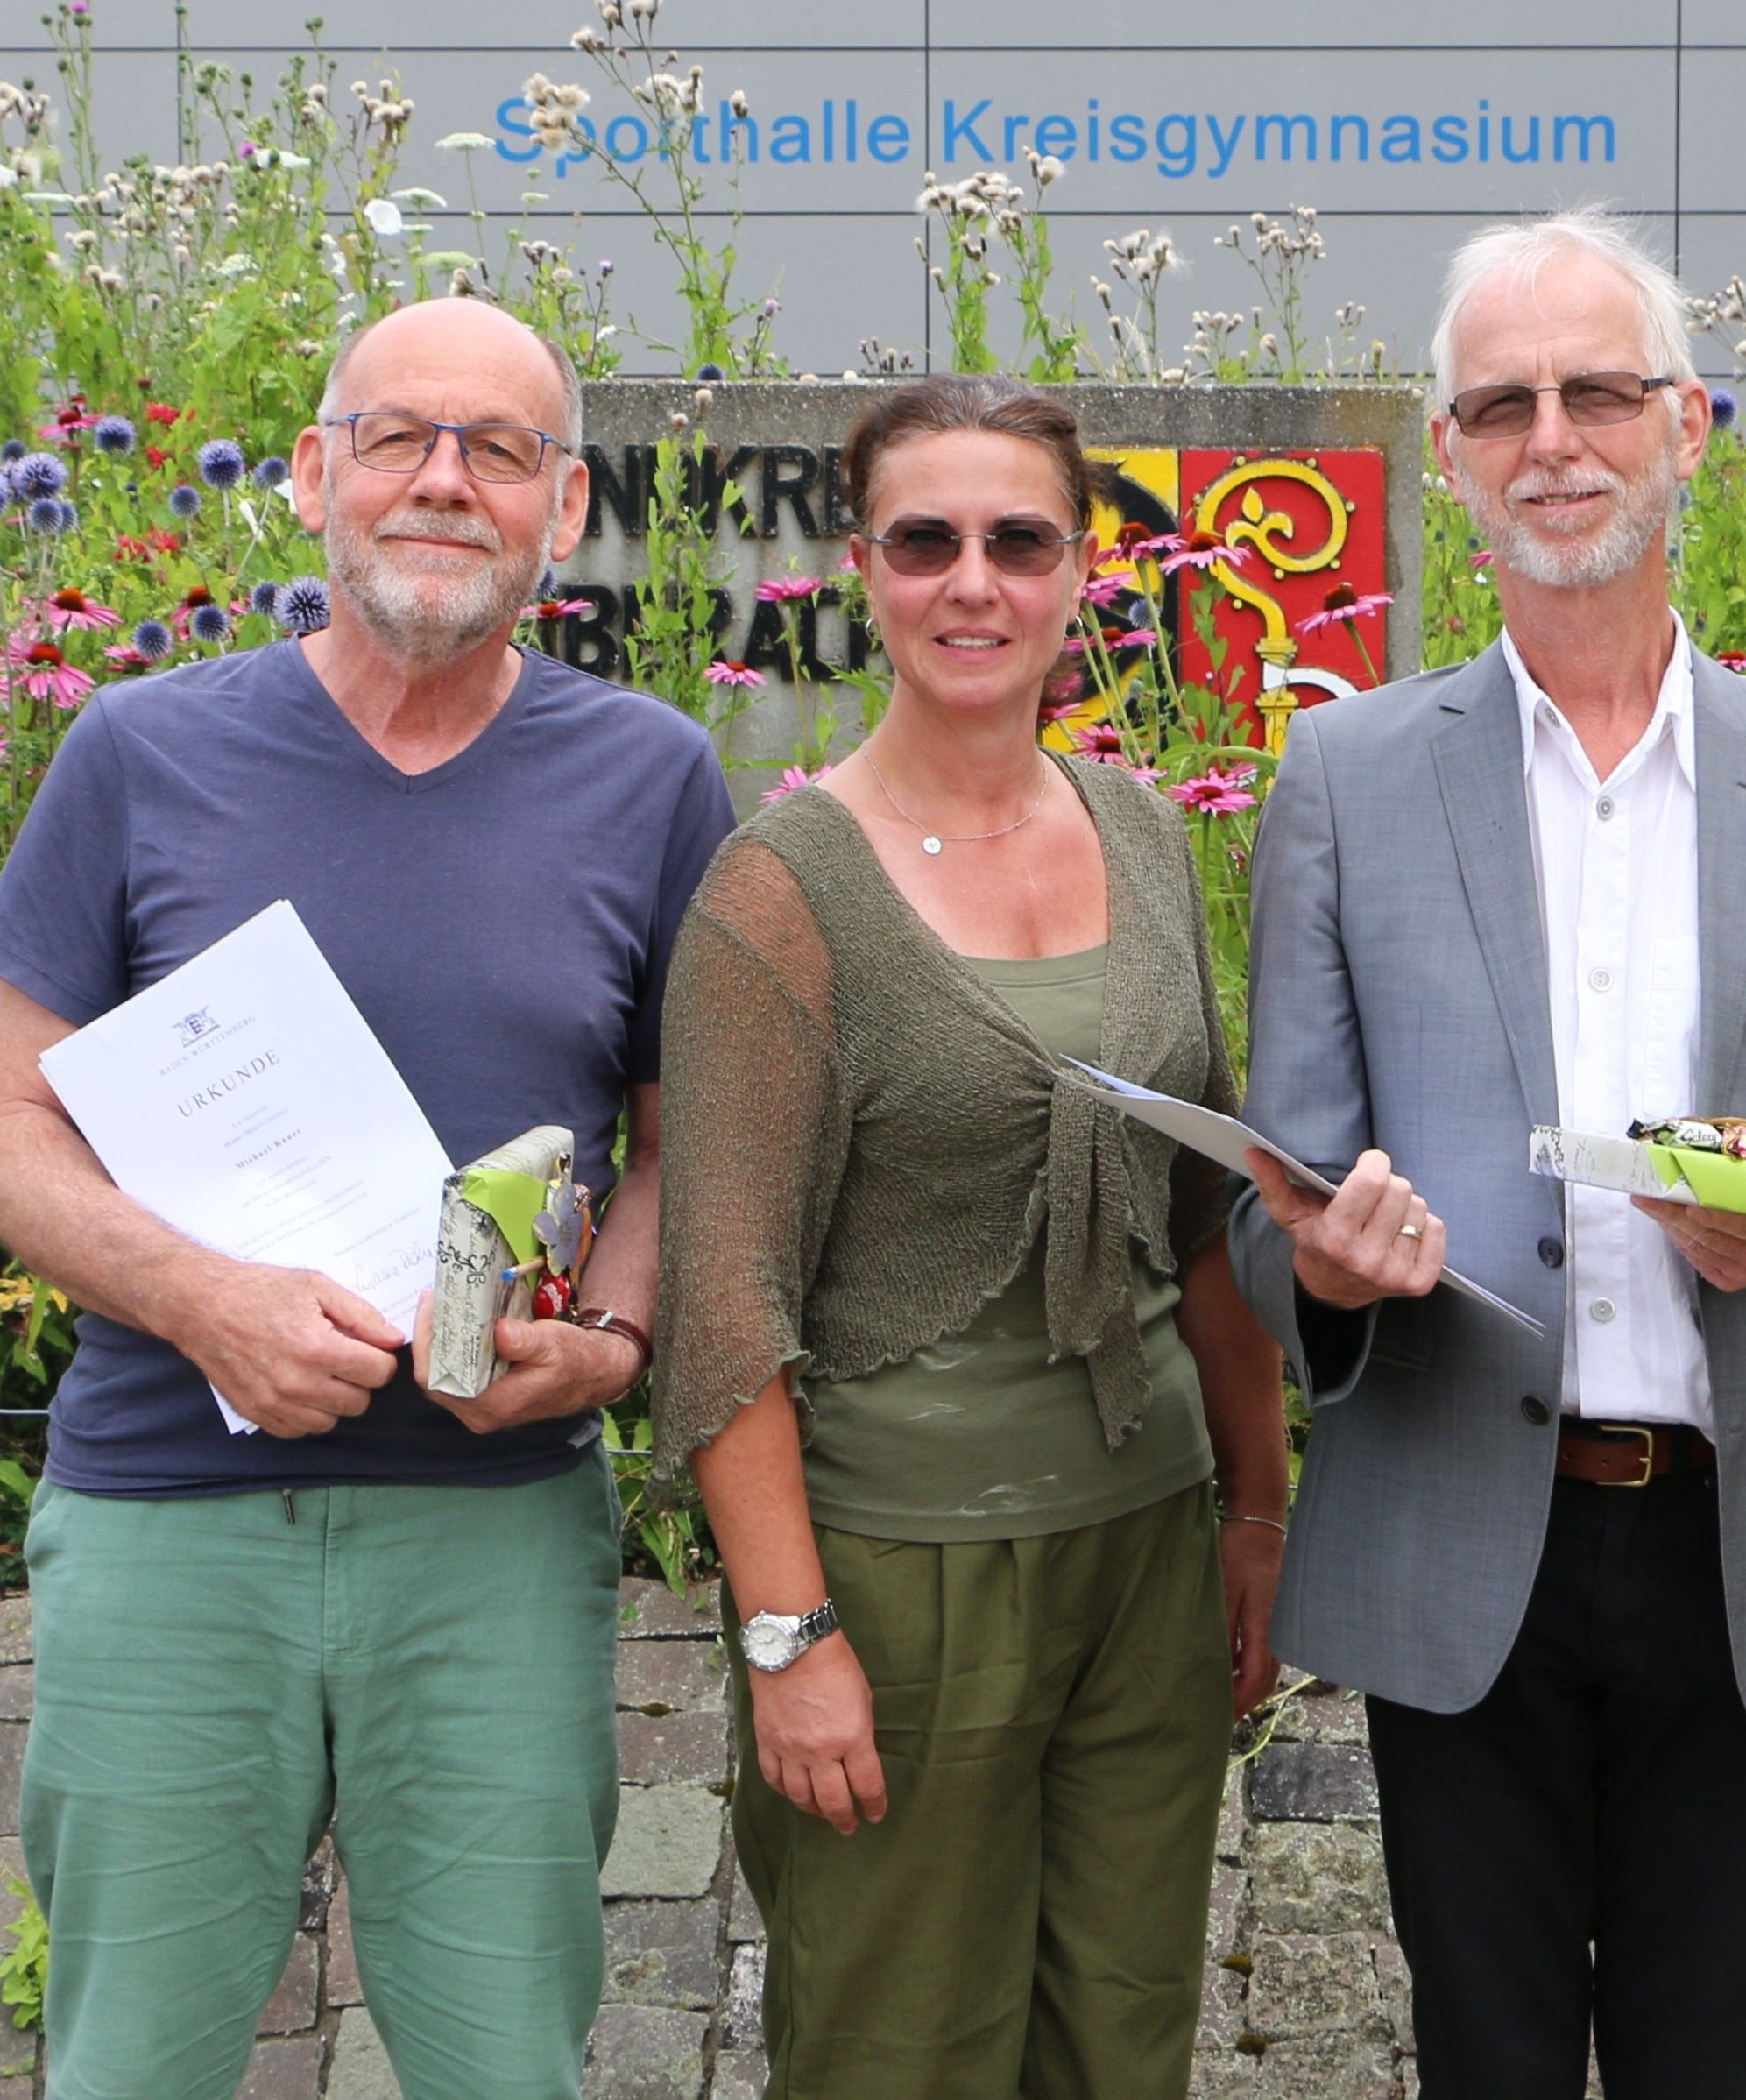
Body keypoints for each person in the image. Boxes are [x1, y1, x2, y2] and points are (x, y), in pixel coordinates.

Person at [1227, 208, 1746, 2100]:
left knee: (1700, 2057)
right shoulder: (1343, 782)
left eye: (1597, 392)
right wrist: (1322, 1266)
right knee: (1481, 2060)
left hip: (1732, 1538)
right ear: (1446, 453)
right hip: (1453, 1533)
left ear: (1681, 424)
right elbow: (1267, 1204)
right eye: (1501, 403)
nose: (1552, 440)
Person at [0, 300, 734, 2098]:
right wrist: (195, 1293)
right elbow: (6, 1127)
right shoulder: (143, 753)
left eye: (500, 450)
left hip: (490, 1529)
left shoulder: (653, 778)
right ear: (313, 475)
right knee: (131, 2063)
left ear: (566, 507)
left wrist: (610, 1335)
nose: (444, 480)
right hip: (169, 1514)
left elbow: (686, 1142)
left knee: (502, 2067)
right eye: (397, 436)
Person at [653, 371, 1289, 2100]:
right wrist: (789, 1636)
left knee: (1121, 2031)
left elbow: (1206, 1210)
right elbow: (722, 1301)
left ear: (1083, 569)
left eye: (1018, 541)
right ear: (864, 566)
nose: (973, 582)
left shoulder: (1143, 834)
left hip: (1144, 1552)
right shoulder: (782, 891)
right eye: (926, 541)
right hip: (901, 1578)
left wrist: (1253, 1505)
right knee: (896, 2053)